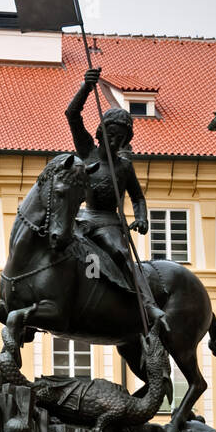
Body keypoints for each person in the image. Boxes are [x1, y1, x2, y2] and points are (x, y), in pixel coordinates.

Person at [65, 67, 167, 334]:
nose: (116, 139)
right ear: (100, 132)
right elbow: (72, 115)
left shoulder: (123, 167)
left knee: (121, 254)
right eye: (111, 133)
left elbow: (138, 197)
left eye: (121, 136)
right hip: (84, 218)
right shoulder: (87, 151)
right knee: (56, 242)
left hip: (109, 222)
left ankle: (148, 304)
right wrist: (87, 87)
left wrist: (141, 217)